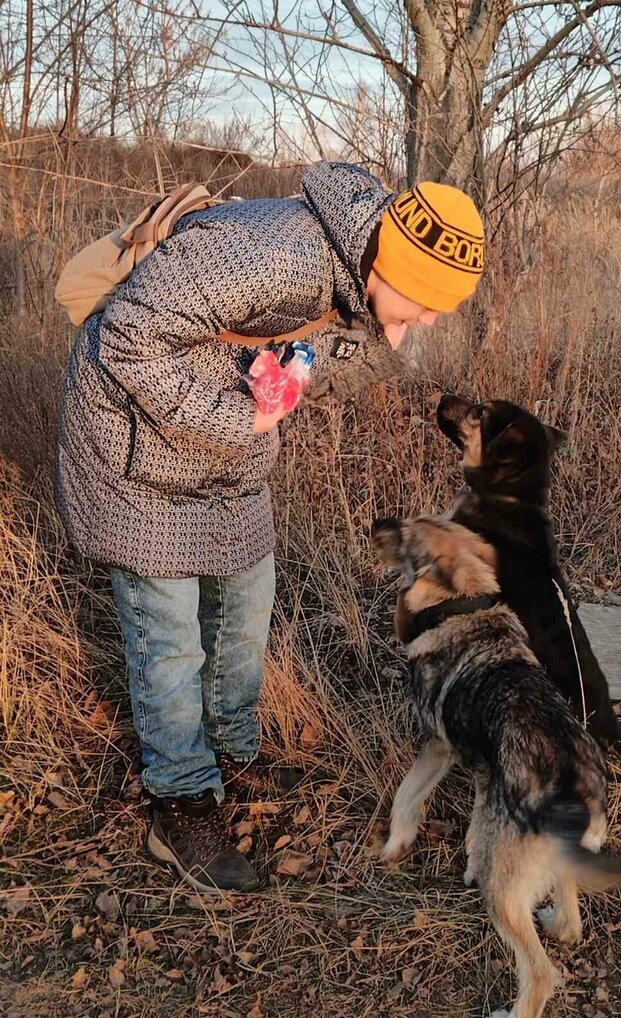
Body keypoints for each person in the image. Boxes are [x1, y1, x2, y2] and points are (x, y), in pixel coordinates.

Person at [55, 162, 485, 893]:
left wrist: (257, 409)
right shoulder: (268, 252)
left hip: (224, 453)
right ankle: (180, 804)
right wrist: (240, 419)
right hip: (131, 453)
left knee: (246, 608)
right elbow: (126, 337)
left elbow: (276, 360)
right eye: (429, 299)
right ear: (390, 259)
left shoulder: (353, 289)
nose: (433, 319)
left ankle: (229, 752)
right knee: (170, 642)